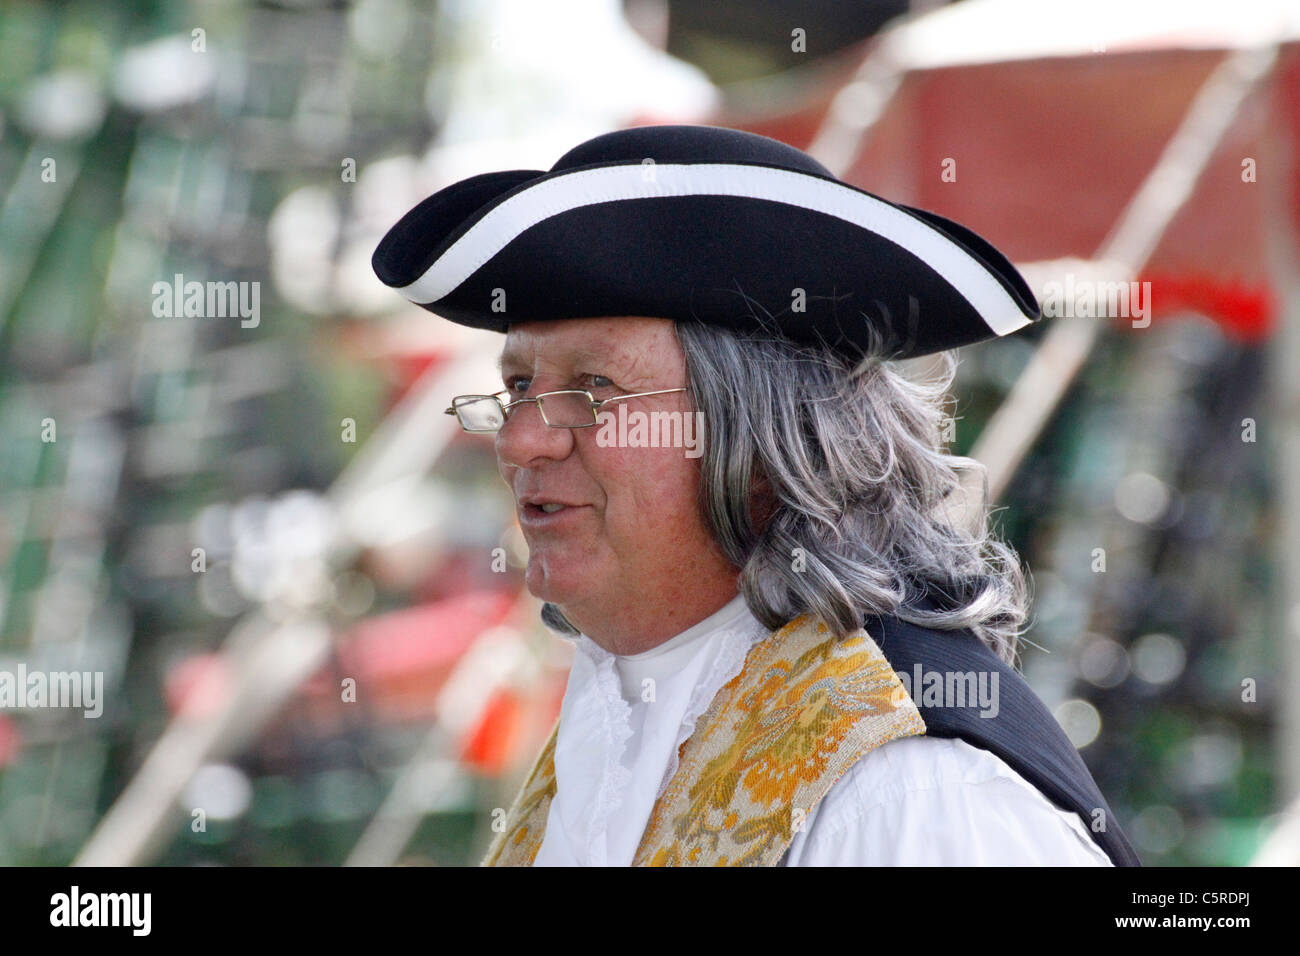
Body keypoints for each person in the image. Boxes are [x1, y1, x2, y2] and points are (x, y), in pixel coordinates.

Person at [372, 124, 1140, 866]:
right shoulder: (620, 713)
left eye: (594, 387)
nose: (519, 441)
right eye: (517, 388)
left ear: (773, 440)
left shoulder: (912, 790)